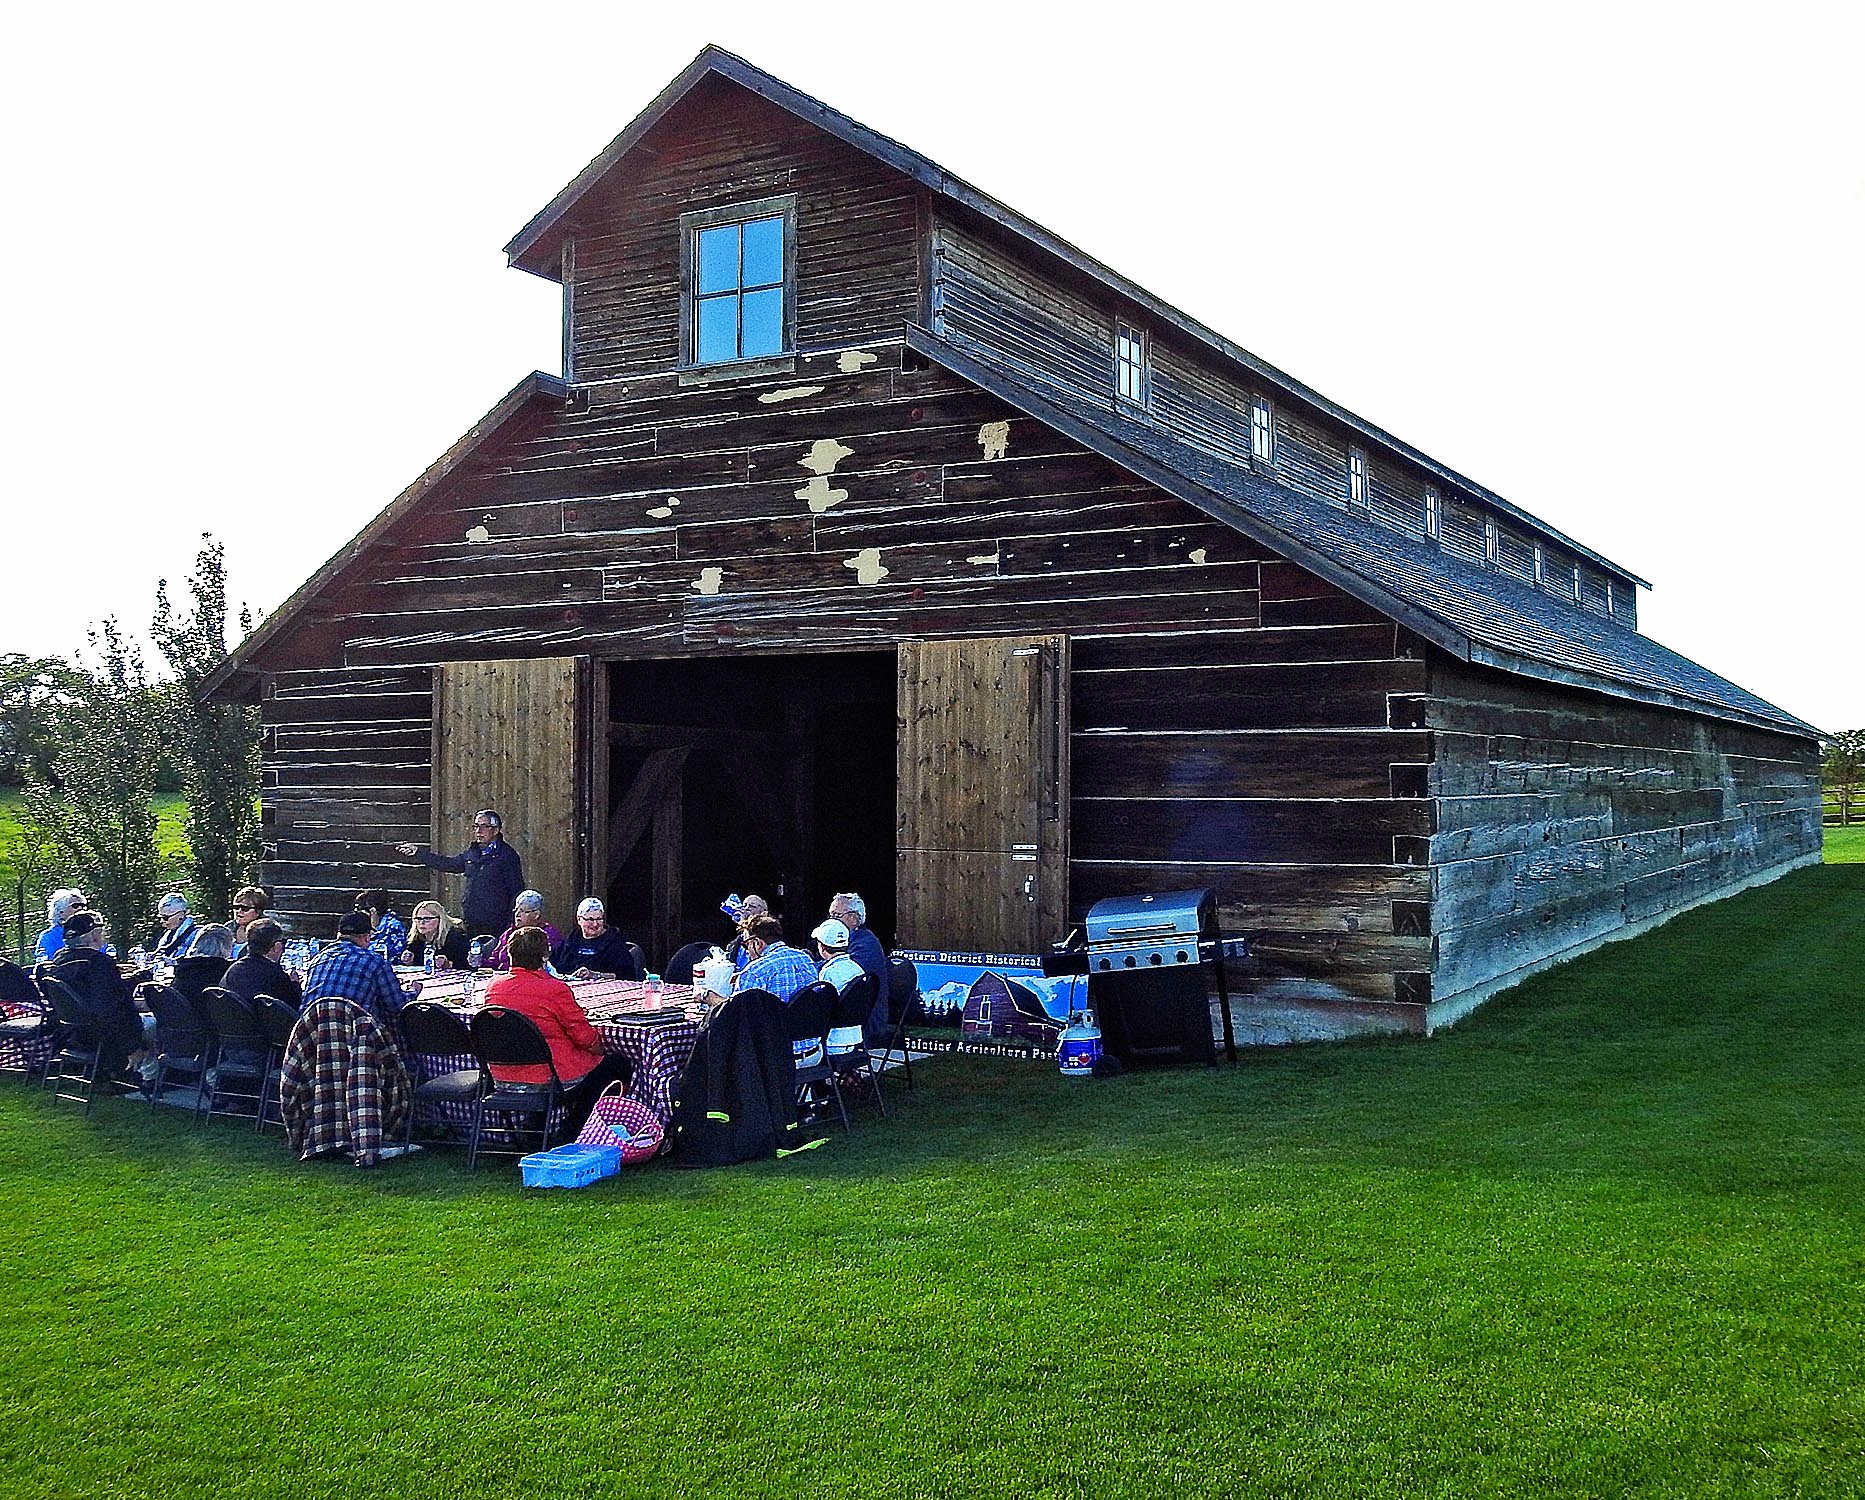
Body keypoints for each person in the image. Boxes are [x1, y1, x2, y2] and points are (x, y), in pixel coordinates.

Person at [484, 927, 633, 1132]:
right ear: (545, 955)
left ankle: (535, 1127)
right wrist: (600, 1049)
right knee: (618, 1064)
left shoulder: (494, 987)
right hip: (549, 1077)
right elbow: (584, 1037)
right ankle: (576, 1127)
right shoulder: (554, 989)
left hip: (501, 1075)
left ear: (510, 954)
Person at [47, 911, 145, 1085]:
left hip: (74, 1034)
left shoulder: (59, 961)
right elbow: (110, 1011)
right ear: (93, 936)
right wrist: (131, 1047)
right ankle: (150, 1078)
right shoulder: (99, 963)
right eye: (101, 931)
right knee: (158, 1024)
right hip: (104, 1037)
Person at [396, 810, 526, 939]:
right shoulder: (473, 852)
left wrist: (512, 923)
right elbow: (449, 864)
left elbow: (516, 890)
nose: (478, 831)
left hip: (497, 924)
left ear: (496, 830)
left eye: (484, 826)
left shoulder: (507, 856)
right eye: (476, 826)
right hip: (472, 921)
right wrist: (419, 853)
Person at [301, 910, 405, 1034]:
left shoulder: (317, 959)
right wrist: (414, 991)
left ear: (338, 935)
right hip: (356, 1040)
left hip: (312, 1037)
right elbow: (397, 1005)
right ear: (367, 937)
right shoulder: (374, 961)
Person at [829, 891, 890, 1037]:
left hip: (863, 1020)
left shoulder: (866, 944)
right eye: (830, 915)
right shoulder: (843, 939)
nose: (831, 921)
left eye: (836, 916)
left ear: (854, 918)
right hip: (849, 1013)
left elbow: (841, 972)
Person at [551, 898, 644, 980]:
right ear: (579, 920)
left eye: (599, 919)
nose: (595, 924)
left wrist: (595, 975)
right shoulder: (572, 940)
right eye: (590, 919)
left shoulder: (613, 943)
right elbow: (553, 963)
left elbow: (625, 975)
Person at [811, 918, 866, 1056]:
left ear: (822, 947)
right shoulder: (858, 969)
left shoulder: (828, 973)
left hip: (832, 1041)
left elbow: (822, 1009)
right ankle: (850, 1076)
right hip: (855, 1038)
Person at [222, 919, 303, 1009]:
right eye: (283, 942)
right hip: (260, 1022)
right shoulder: (275, 975)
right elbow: (295, 1007)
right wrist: (295, 984)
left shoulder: (234, 969)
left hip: (231, 1020)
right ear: (276, 946)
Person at [489, 891, 563, 970]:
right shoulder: (508, 933)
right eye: (516, 910)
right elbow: (494, 961)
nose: (517, 914)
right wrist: (479, 961)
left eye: (522, 911)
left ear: (536, 914)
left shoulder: (547, 935)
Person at [400, 900, 470, 970]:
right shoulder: (416, 940)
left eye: (427, 919)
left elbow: (466, 965)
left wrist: (448, 964)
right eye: (418, 919)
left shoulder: (455, 937)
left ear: (440, 919)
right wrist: (409, 961)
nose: (422, 922)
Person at [352, 888, 408, 962]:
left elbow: (392, 955)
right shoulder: (360, 924)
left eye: (361, 911)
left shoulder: (394, 926)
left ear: (373, 911)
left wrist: (374, 930)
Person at [34, 888, 87, 962]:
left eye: (83, 906)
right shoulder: (49, 936)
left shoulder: (91, 932)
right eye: (75, 906)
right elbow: (43, 959)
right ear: (60, 912)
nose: (81, 909)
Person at [726, 893, 771, 972]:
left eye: (752, 906)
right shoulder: (739, 937)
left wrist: (745, 923)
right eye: (744, 905)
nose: (747, 908)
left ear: (763, 912)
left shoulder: (767, 932)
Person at [152, 893, 198, 960]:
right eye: (160, 917)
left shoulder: (196, 935)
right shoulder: (167, 936)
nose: (161, 921)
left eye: (165, 917)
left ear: (181, 915)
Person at [229, 886, 271, 959]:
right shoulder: (227, 928)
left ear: (258, 911)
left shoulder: (266, 933)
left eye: (245, 908)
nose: (239, 911)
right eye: (236, 907)